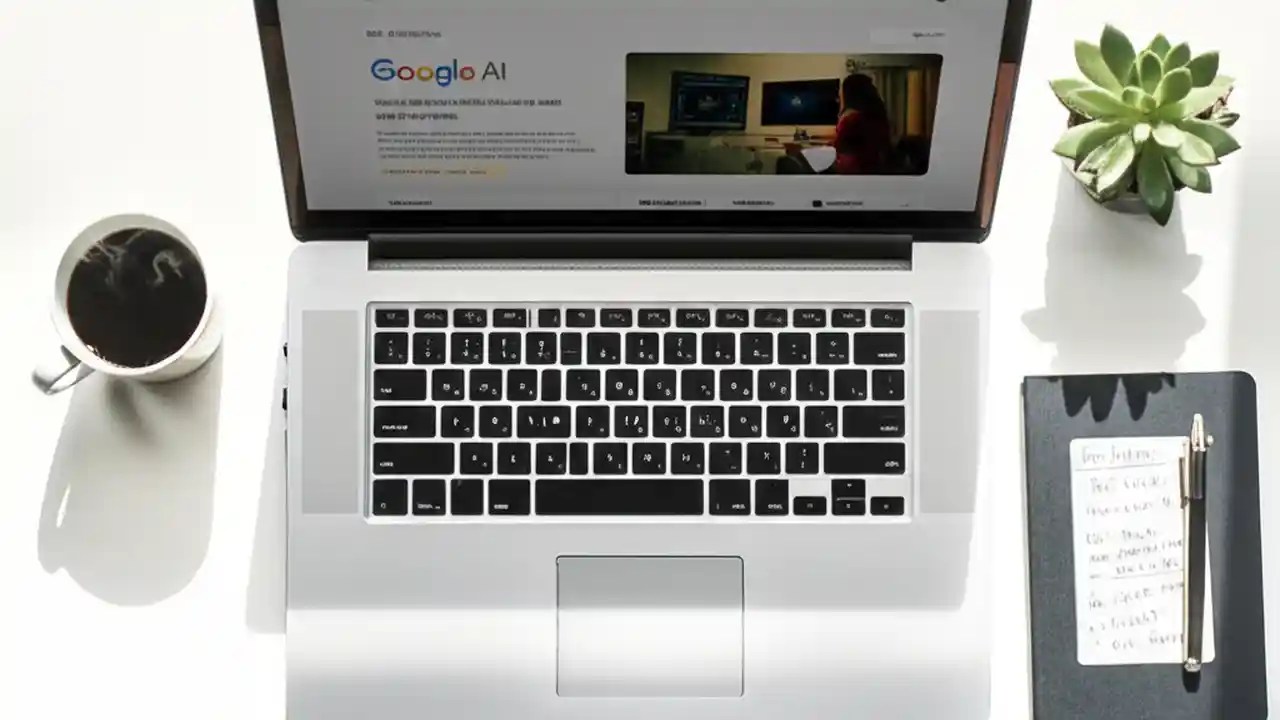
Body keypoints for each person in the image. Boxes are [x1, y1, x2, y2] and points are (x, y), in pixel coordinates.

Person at [830, 73, 892, 175]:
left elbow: (842, 152)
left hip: (855, 173)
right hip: (875, 170)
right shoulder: (877, 116)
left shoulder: (851, 120)